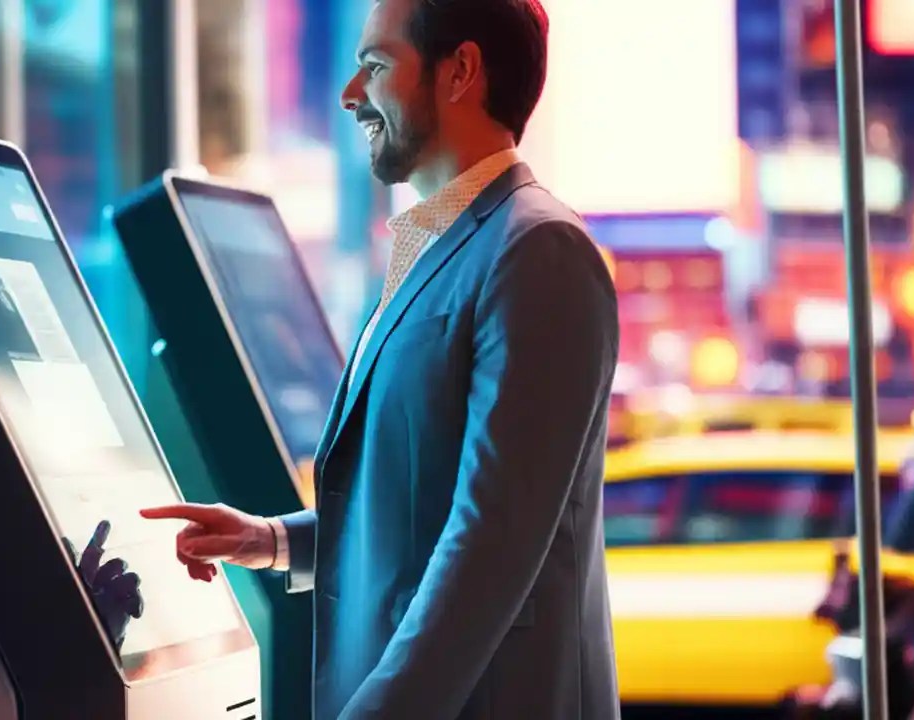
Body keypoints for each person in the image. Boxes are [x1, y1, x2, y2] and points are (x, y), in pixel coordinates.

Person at [143, 0, 621, 717]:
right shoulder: (439, 247)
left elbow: (489, 548)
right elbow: (416, 504)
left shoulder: (536, 249)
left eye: (376, 65)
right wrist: (270, 539)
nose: (350, 94)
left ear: (460, 71)